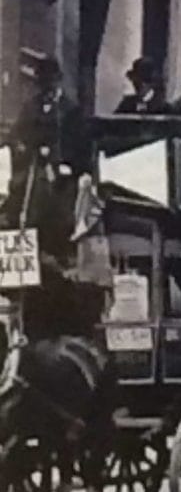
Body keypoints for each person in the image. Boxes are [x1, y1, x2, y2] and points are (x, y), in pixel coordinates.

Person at [2, 57, 107, 341]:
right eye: (42, 85)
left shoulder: (71, 111)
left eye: (49, 84)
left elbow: (82, 150)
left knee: (58, 215)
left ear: (57, 83)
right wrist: (24, 149)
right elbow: (16, 137)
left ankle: (57, 256)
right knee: (20, 207)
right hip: (34, 179)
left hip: (62, 184)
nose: (45, 90)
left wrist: (68, 165)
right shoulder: (32, 107)